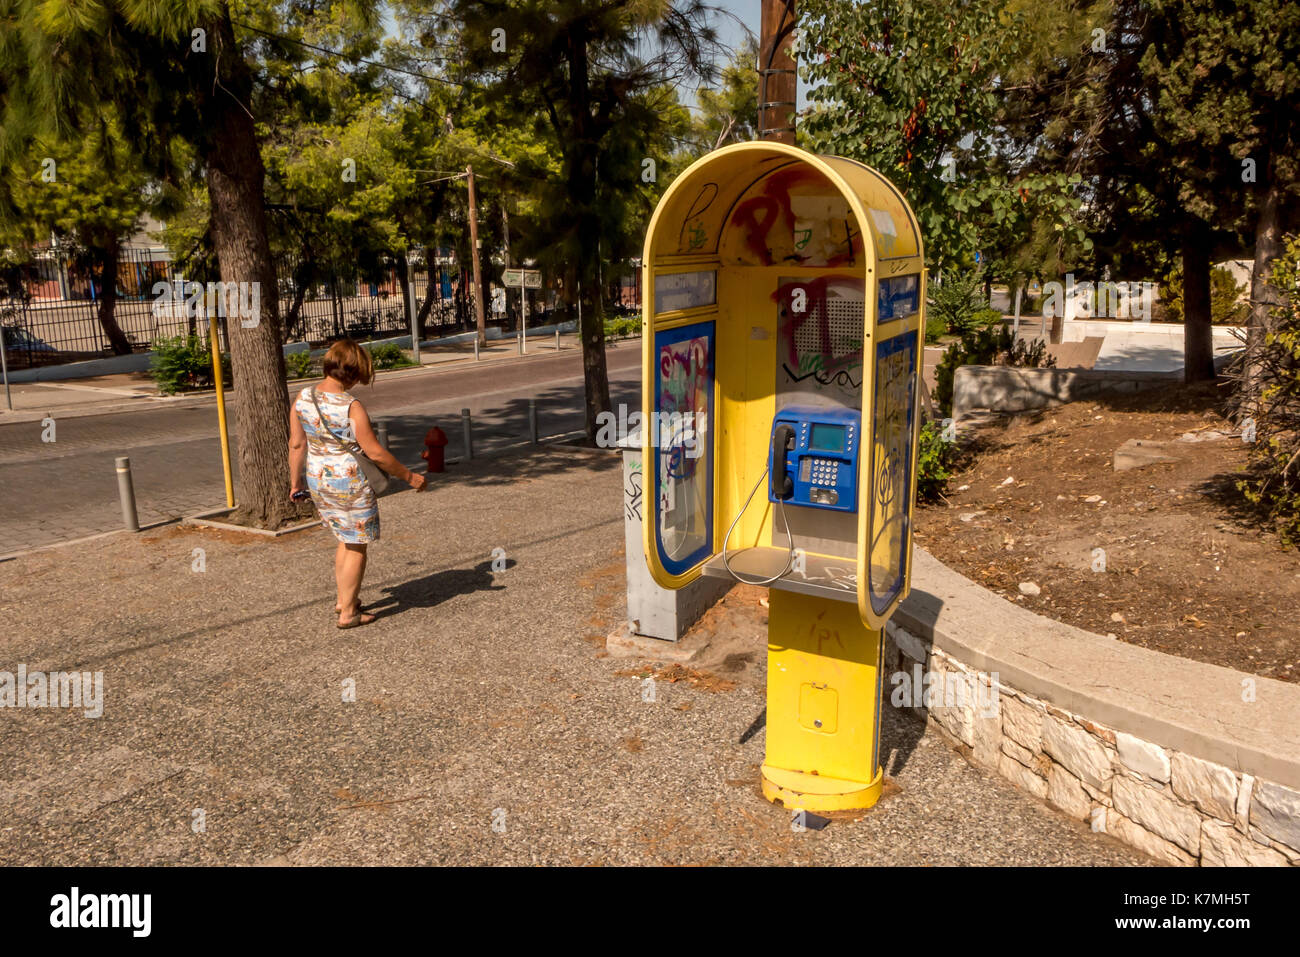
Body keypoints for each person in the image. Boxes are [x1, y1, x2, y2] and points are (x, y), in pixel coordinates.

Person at [288, 339, 426, 628]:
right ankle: (349, 613)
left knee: (344, 538)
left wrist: (295, 482)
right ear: (354, 371)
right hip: (350, 483)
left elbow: (297, 445)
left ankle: (343, 599)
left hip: (318, 479)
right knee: (357, 545)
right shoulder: (351, 406)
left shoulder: (303, 397)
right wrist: (409, 476)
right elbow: (375, 452)